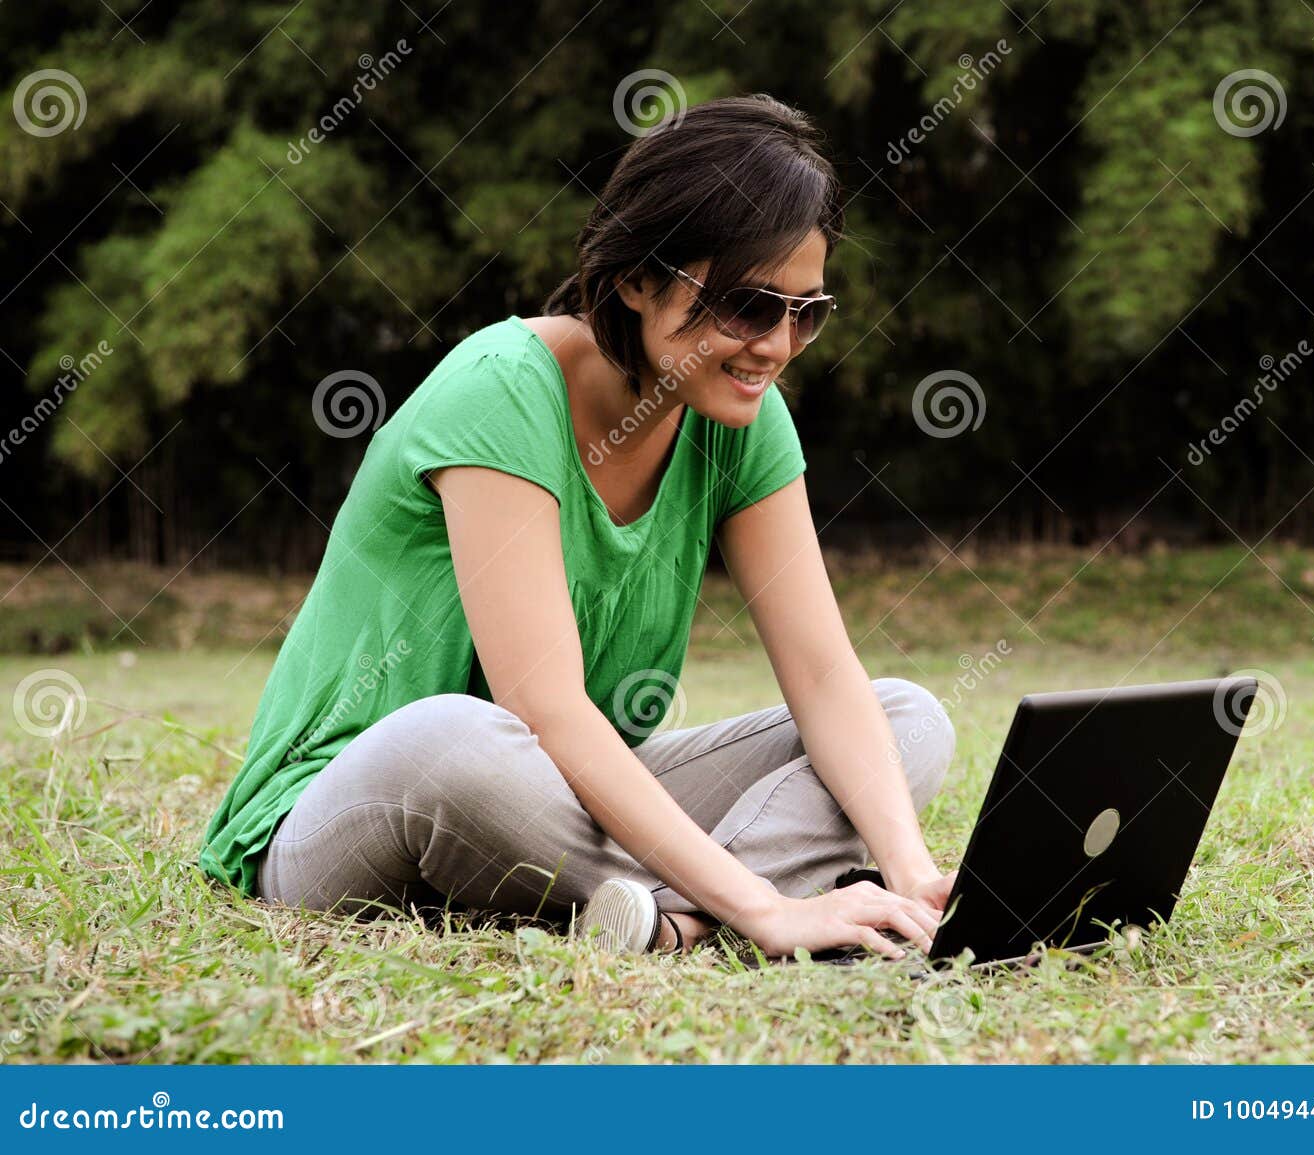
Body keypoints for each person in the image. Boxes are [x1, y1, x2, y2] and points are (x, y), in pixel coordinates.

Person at [197, 94, 957, 959]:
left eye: (806, 312)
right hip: (357, 804)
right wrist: (770, 904)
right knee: (454, 738)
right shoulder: (504, 388)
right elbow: (545, 709)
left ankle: (669, 924)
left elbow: (823, 674)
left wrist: (908, 868)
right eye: (749, 307)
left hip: (564, 807)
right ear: (638, 279)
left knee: (909, 720)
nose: (776, 347)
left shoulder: (741, 413)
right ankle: (738, 906)